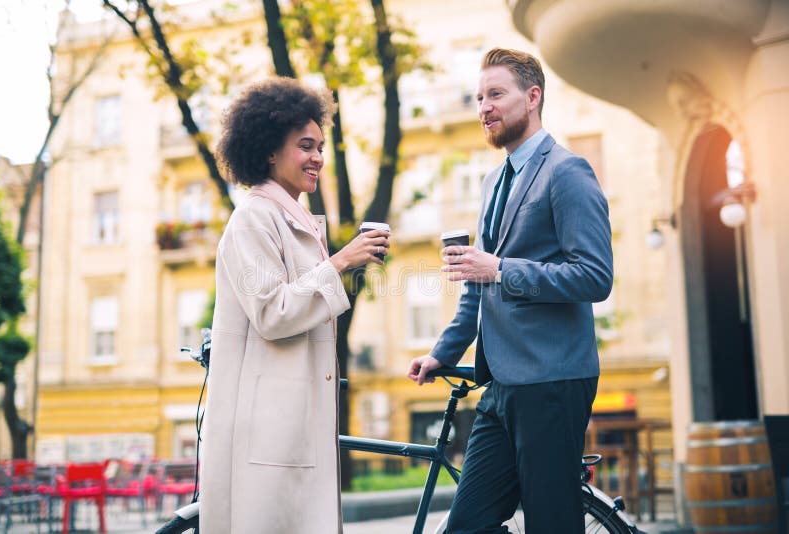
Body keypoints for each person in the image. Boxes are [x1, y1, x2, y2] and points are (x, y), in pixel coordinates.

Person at [407, 48, 613, 533]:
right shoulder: (492, 181)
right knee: (466, 526)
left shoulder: (567, 171)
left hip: (552, 381)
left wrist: (500, 268)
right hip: (499, 386)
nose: (484, 107)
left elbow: (594, 276)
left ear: (533, 97)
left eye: (496, 94)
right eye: (480, 97)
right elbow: (477, 288)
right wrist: (444, 351)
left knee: (551, 523)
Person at [200, 77, 390, 533]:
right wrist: (342, 260)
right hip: (268, 431)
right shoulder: (252, 218)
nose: (318, 158)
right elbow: (272, 312)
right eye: (305, 146)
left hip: (291, 427)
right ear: (269, 151)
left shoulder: (292, 218)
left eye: (321, 146)